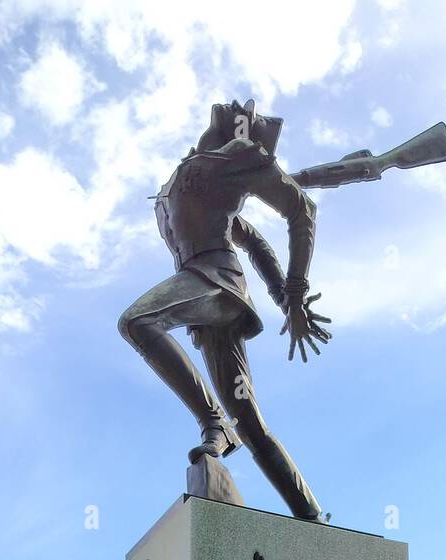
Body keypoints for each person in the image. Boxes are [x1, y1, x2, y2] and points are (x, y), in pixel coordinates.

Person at [118, 100, 330, 521]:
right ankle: (310, 515)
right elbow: (252, 238)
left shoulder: (239, 159)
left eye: (244, 111)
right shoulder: (194, 174)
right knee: (251, 425)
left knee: (138, 322)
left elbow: (301, 210)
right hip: (203, 303)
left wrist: (291, 293)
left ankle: (215, 423)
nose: (233, 105)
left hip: (216, 284)